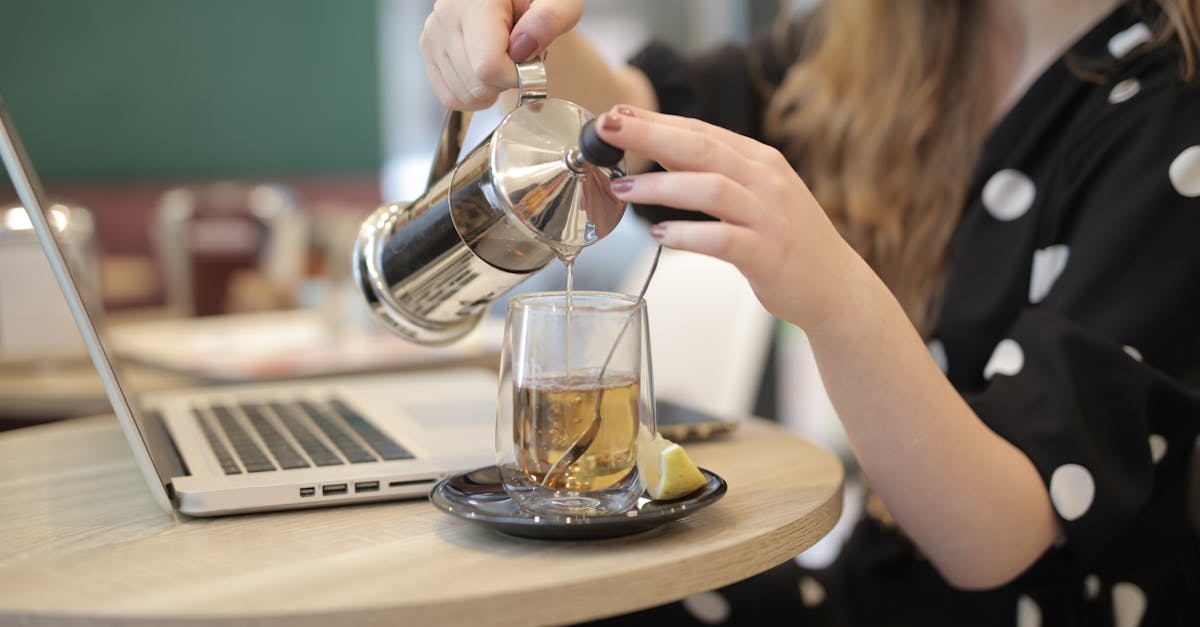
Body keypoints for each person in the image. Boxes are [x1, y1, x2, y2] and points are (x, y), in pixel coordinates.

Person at [420, 0, 1200, 625]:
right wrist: (526, 35)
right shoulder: (895, 37)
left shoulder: (1172, 112)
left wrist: (834, 295)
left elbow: (1000, 538)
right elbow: (645, 118)